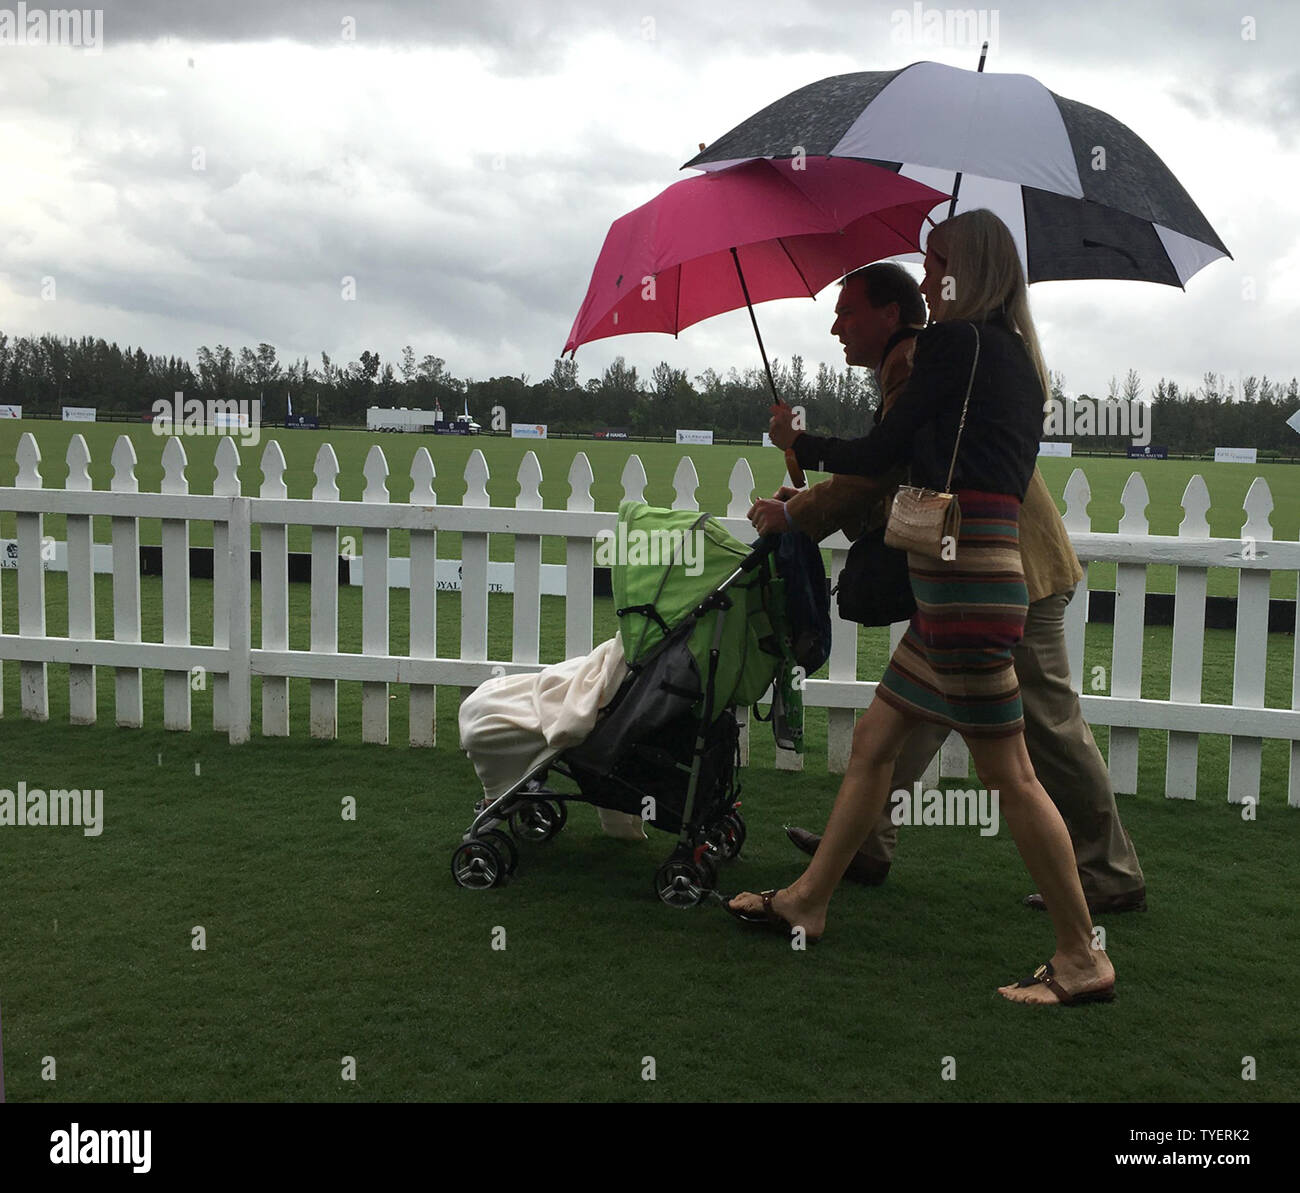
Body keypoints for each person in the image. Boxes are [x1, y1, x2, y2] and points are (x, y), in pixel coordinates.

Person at [729, 210, 1116, 1006]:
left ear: (965, 270)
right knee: (875, 739)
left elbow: (881, 454)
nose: (926, 274)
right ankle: (809, 897)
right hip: (974, 574)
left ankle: (1082, 955)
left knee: (1010, 771)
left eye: (936, 260)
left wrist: (799, 443)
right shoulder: (1012, 357)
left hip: (962, 581)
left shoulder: (951, 346)